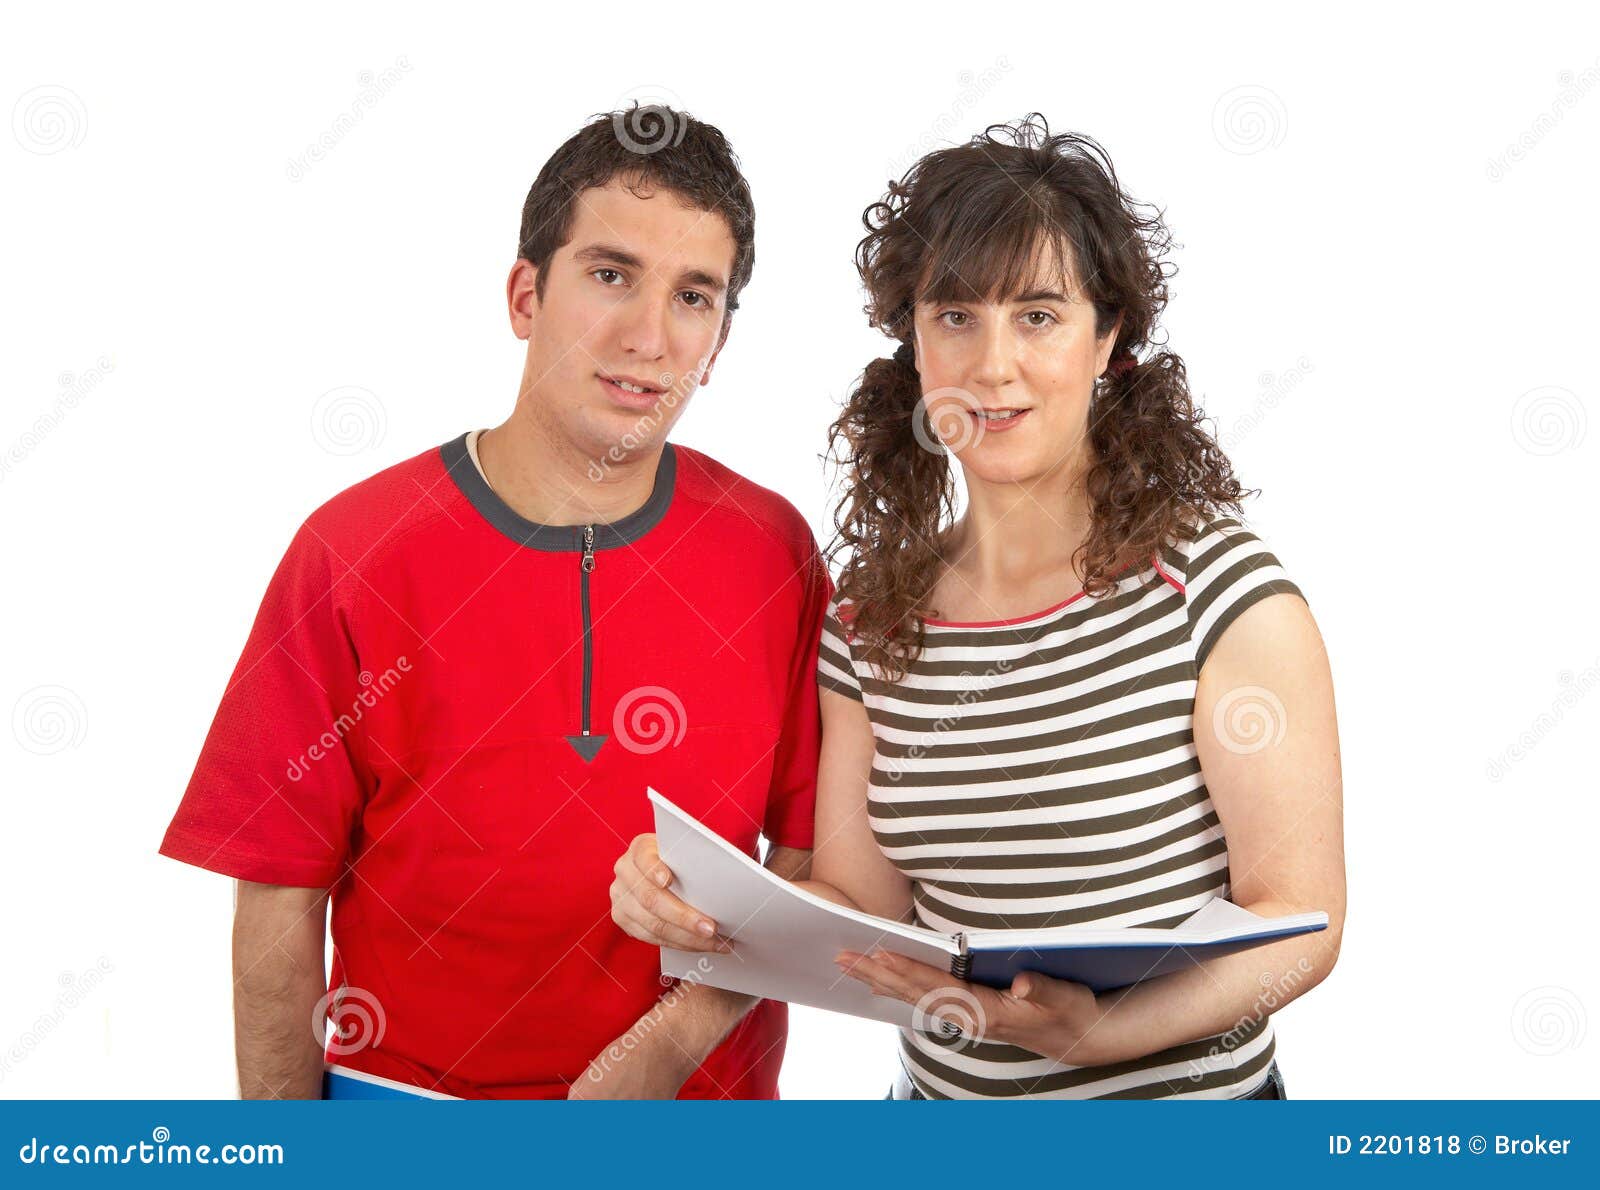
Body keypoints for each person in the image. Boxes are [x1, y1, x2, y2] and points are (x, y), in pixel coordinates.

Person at [609, 114, 1345, 1099]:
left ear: (1108, 338)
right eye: (956, 315)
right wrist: (696, 902)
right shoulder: (870, 623)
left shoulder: (1217, 593)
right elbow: (860, 905)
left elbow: (1302, 922)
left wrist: (1105, 1034)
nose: (992, 365)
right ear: (913, 343)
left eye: (1038, 315)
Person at [159, 104, 830, 1099]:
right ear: (525, 295)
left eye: (693, 296)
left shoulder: (773, 551)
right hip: (409, 1118)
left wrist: (673, 1042)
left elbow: (813, 862)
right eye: (611, 275)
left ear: (720, 338)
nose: (648, 336)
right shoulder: (352, 551)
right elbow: (276, 896)